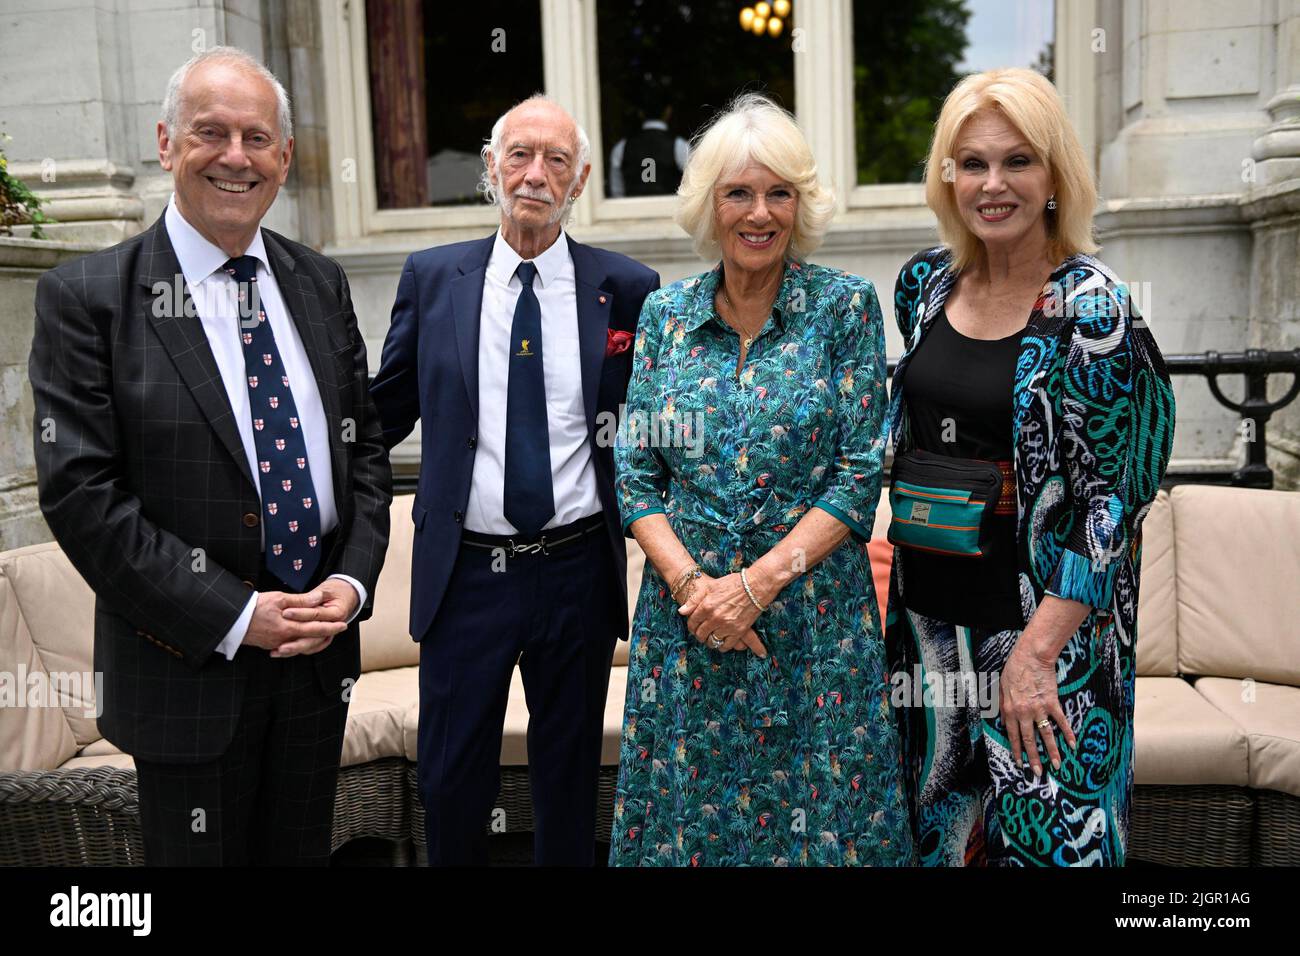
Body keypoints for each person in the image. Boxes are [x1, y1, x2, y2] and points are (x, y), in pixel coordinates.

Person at [29, 46, 392, 865]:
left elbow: (364, 450)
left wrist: (349, 581)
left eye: (257, 138)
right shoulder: (88, 299)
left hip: (314, 666)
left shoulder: (319, 284)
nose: (236, 157)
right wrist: (237, 615)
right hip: (187, 673)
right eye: (211, 133)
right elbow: (83, 498)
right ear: (165, 145)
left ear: (286, 159)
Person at [609, 93, 914, 866]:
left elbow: (857, 473)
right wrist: (695, 589)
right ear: (710, 205)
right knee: (692, 827)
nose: (760, 212)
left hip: (815, 625)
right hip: (689, 628)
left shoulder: (843, 307)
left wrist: (758, 583)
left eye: (780, 192)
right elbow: (636, 471)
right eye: (739, 192)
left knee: (826, 822)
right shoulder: (665, 316)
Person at [885, 67, 1175, 866]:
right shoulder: (924, 284)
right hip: (932, 641)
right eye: (971, 163)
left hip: (1045, 655)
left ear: (1055, 176)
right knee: (943, 852)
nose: (992, 183)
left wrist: (1037, 653)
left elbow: (1116, 501)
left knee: (1052, 853)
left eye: (1018, 161)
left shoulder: (1094, 309)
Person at [369, 94, 659, 866]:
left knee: (569, 783)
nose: (535, 174)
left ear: (581, 179)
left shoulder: (630, 288)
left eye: (556, 160)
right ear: (491, 168)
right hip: (465, 574)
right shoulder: (434, 279)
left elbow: (656, 428)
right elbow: (378, 418)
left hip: (575, 572)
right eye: (520, 155)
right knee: (451, 778)